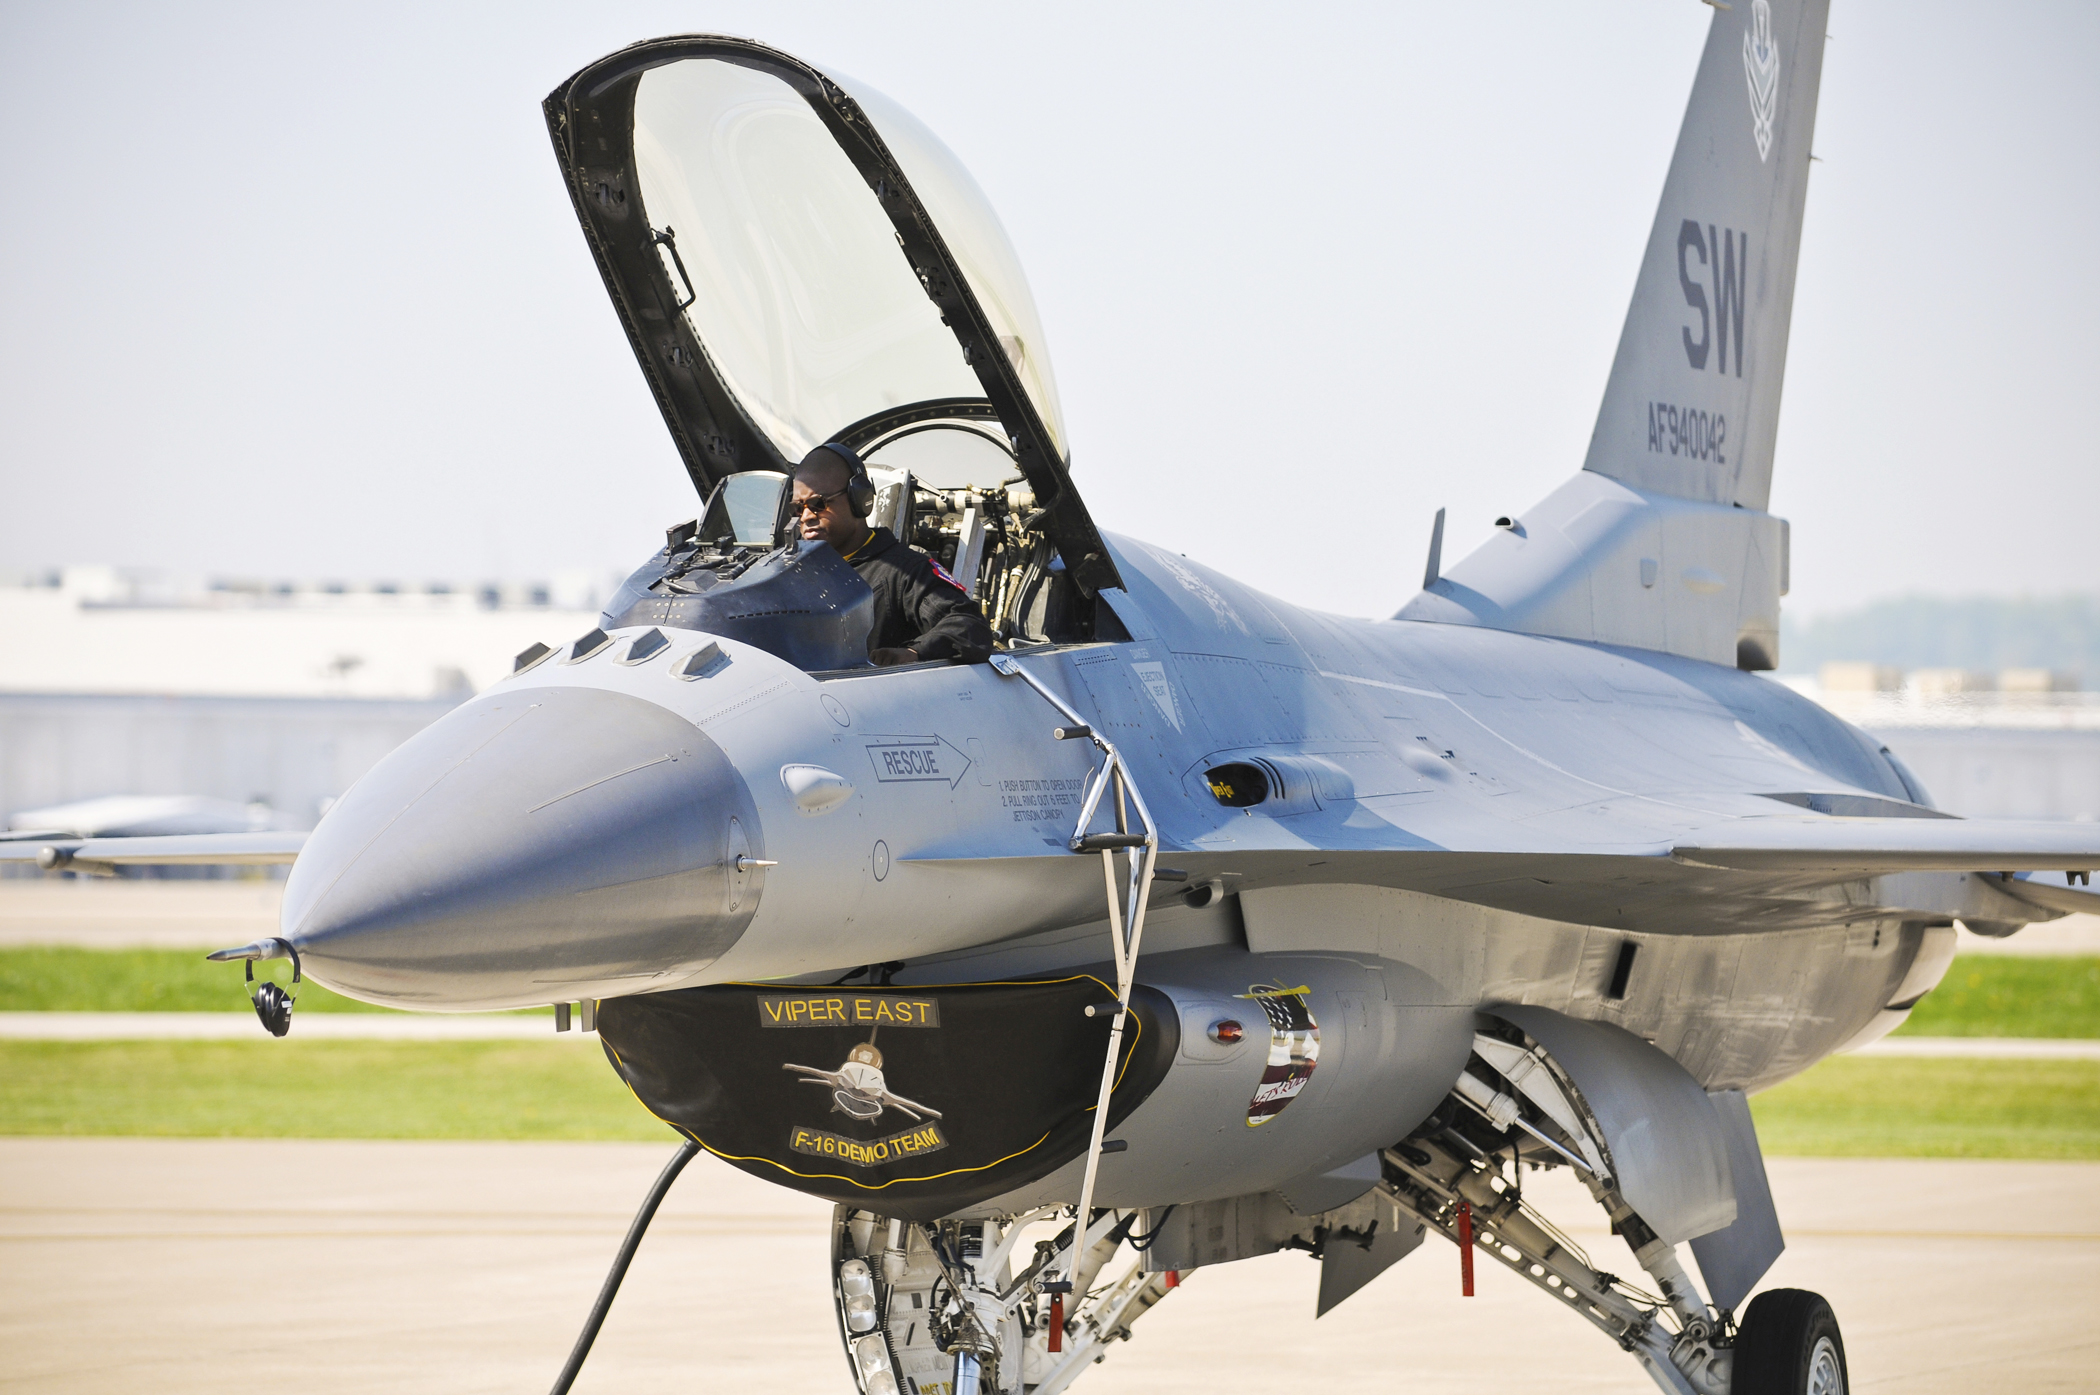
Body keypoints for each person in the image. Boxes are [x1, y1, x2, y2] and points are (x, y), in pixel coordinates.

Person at [790, 443, 995, 666]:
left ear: (859, 499)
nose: (806, 517)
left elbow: (970, 626)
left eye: (818, 503)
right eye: (798, 508)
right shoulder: (789, 573)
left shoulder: (906, 572)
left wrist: (914, 652)